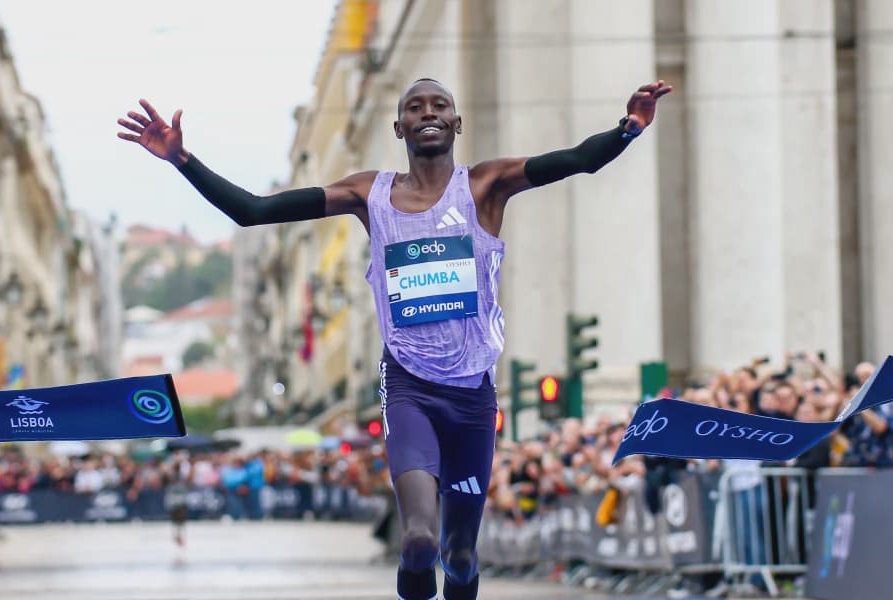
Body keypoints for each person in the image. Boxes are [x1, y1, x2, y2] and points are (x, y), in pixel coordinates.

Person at [117, 77, 671, 600]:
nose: (428, 112)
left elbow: (575, 160)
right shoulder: (369, 194)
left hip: (473, 395)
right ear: (399, 128)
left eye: (439, 105)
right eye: (414, 107)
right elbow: (252, 211)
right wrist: (183, 160)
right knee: (419, 540)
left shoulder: (484, 185)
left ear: (456, 123)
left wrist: (627, 128)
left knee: (460, 555)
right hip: (409, 387)